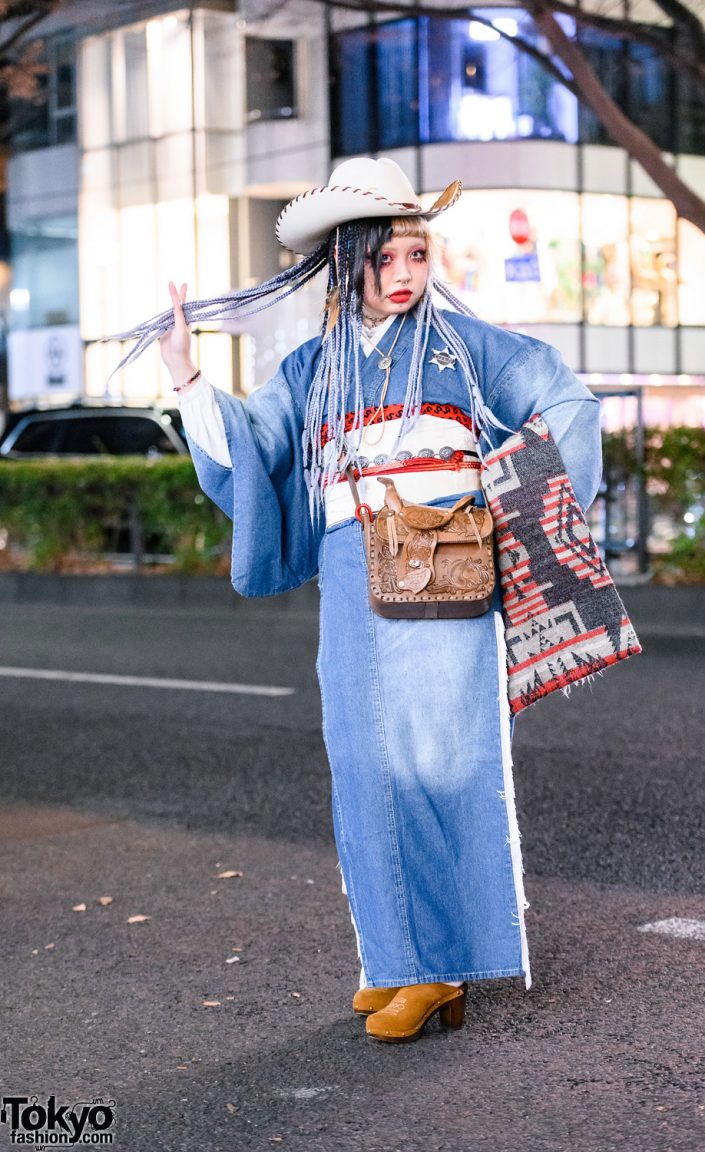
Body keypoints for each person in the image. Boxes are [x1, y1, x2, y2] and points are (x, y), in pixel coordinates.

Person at [126, 156, 602, 1043]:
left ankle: (437, 969)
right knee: (364, 765)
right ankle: (394, 959)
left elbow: (566, 403)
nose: (405, 276)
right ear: (347, 261)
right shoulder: (314, 366)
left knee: (440, 762)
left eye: (418, 255)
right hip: (353, 578)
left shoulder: (469, 347)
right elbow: (255, 448)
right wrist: (189, 378)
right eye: (387, 258)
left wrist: (508, 505)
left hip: (447, 574)